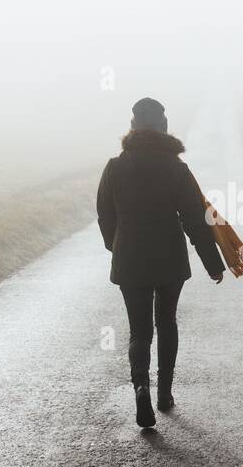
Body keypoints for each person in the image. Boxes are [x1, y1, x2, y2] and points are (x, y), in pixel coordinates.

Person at [96, 98, 225, 428]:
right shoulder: (176, 169)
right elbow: (196, 220)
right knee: (166, 322)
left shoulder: (115, 167)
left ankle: (141, 387)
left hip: (130, 260)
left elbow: (104, 215)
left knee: (139, 331)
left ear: (134, 127)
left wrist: (117, 247)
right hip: (169, 257)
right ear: (164, 129)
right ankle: (164, 394)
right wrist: (213, 262)